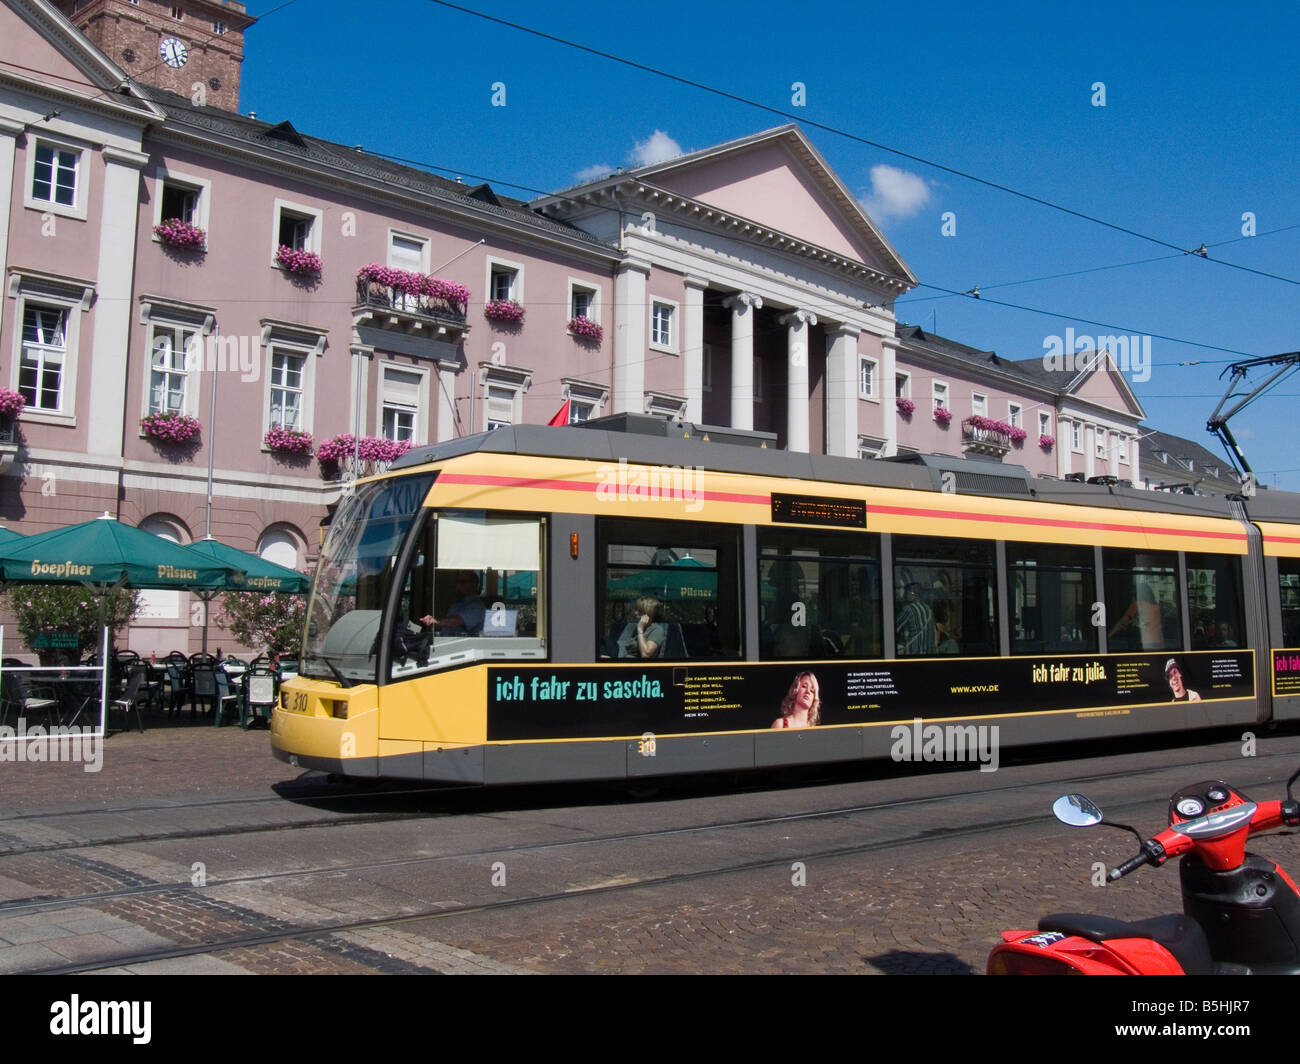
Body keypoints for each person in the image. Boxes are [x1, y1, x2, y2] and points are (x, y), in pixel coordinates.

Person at [419, 571, 486, 636]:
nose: (458, 585)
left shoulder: (477, 606)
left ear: (473, 584)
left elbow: (455, 622)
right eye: (457, 582)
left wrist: (435, 621)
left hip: (463, 645)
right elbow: (446, 625)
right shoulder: (457, 603)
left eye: (462, 582)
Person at [1110, 582, 1162, 649]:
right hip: (1158, 641)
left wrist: (1110, 635)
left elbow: (1122, 622)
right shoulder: (1157, 607)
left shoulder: (1137, 605)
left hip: (1144, 642)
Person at [896, 582, 935, 656]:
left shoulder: (908, 609)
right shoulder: (928, 609)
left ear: (912, 593)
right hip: (927, 654)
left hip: (912, 653)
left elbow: (894, 627)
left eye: (906, 592)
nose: (905, 595)